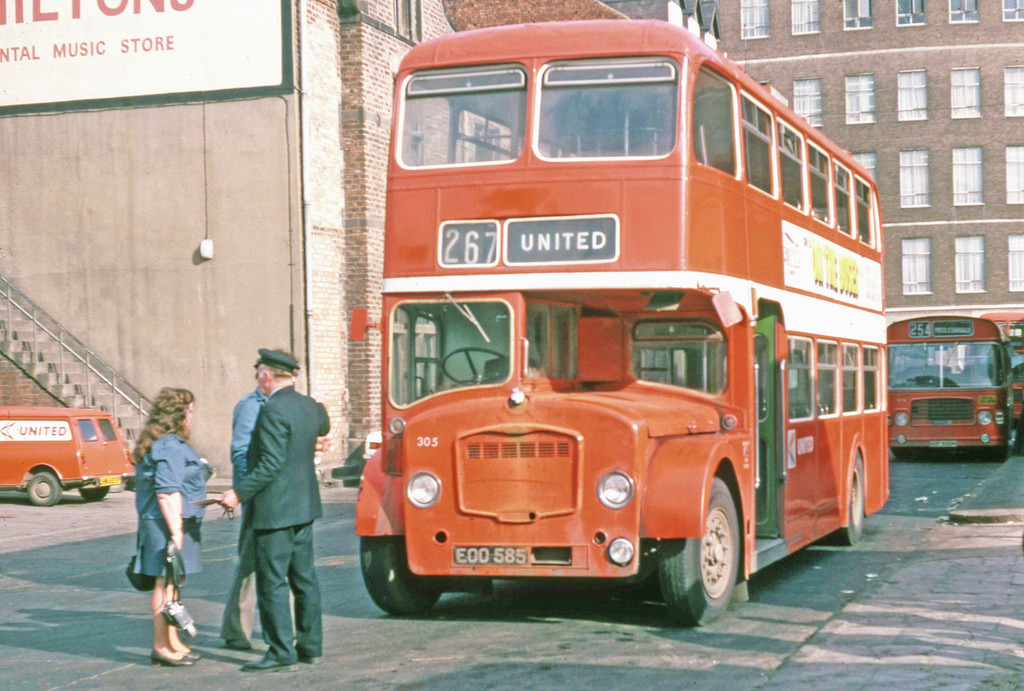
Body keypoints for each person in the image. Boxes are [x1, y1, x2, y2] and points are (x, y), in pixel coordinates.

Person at [221, 349, 330, 673]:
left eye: (259, 376)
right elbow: (322, 425)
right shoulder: (309, 406)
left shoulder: (271, 410)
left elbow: (269, 464)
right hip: (304, 505)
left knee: (273, 583)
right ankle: (310, 647)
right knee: (305, 579)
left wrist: (238, 493)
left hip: (274, 511)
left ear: (267, 375)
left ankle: (281, 650)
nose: (259, 381)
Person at [132, 387, 208, 668]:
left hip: (172, 520)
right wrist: (176, 532)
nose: (191, 418)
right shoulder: (169, 446)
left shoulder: (169, 443)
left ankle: (173, 641)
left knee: (173, 585)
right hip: (166, 524)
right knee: (164, 585)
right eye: (189, 413)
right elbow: (166, 492)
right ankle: (161, 646)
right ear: (179, 416)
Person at [219, 365, 271, 651]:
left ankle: (283, 628)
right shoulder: (251, 407)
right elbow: (241, 452)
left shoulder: (279, 404)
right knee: (251, 559)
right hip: (257, 494)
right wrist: (249, 490)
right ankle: (236, 629)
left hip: (276, 495)